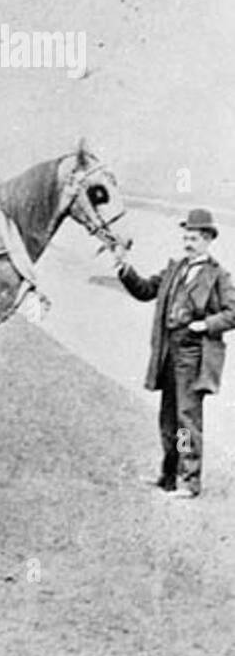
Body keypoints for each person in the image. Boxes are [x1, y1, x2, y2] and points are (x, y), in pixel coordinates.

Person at [112, 208, 235, 499]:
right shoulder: (174, 269)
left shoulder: (218, 276)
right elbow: (144, 290)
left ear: (207, 239)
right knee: (168, 418)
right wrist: (124, 269)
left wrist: (204, 324)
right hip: (168, 353)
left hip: (193, 356)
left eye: (193, 237)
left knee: (186, 419)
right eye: (186, 237)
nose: (187, 242)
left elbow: (233, 312)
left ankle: (188, 481)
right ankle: (168, 476)